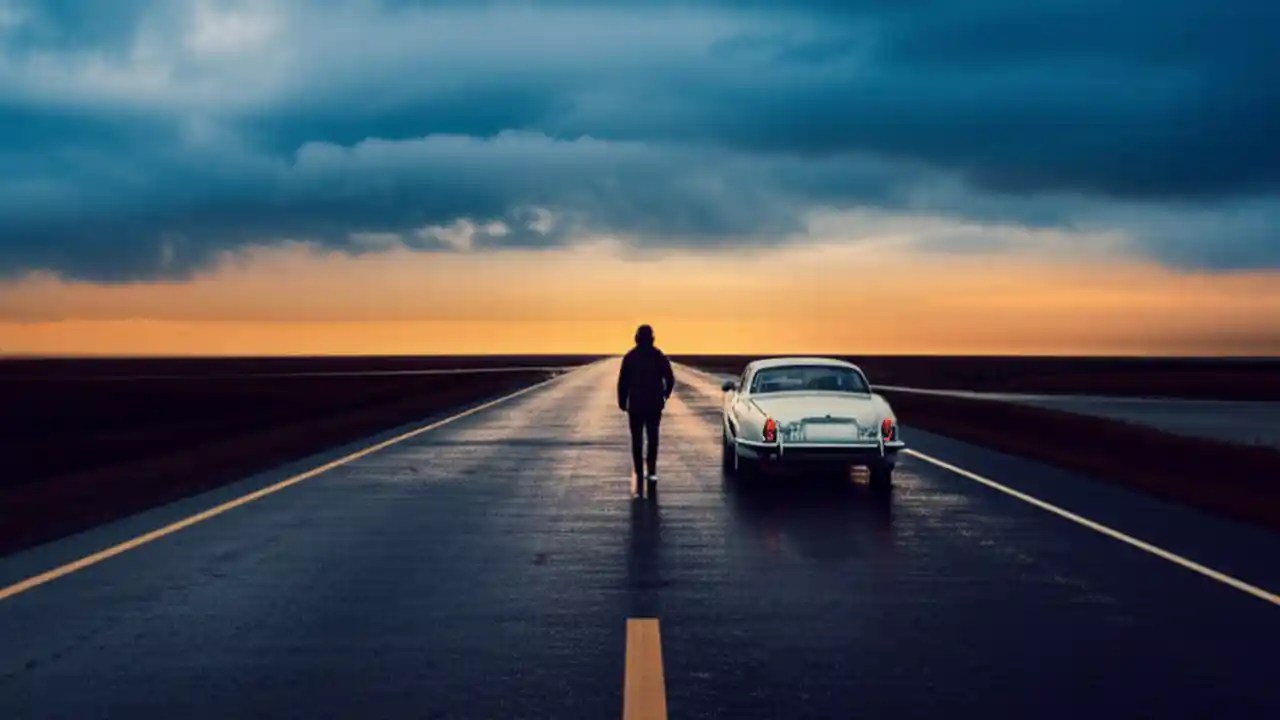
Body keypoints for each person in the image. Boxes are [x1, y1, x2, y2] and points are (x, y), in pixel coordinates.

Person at [617, 324, 675, 496]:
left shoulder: (630, 357)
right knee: (652, 438)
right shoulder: (658, 356)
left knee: (637, 439)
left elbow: (623, 382)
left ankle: (639, 470)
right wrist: (665, 395)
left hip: (636, 404)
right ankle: (651, 469)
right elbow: (670, 378)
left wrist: (622, 400)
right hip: (653, 404)